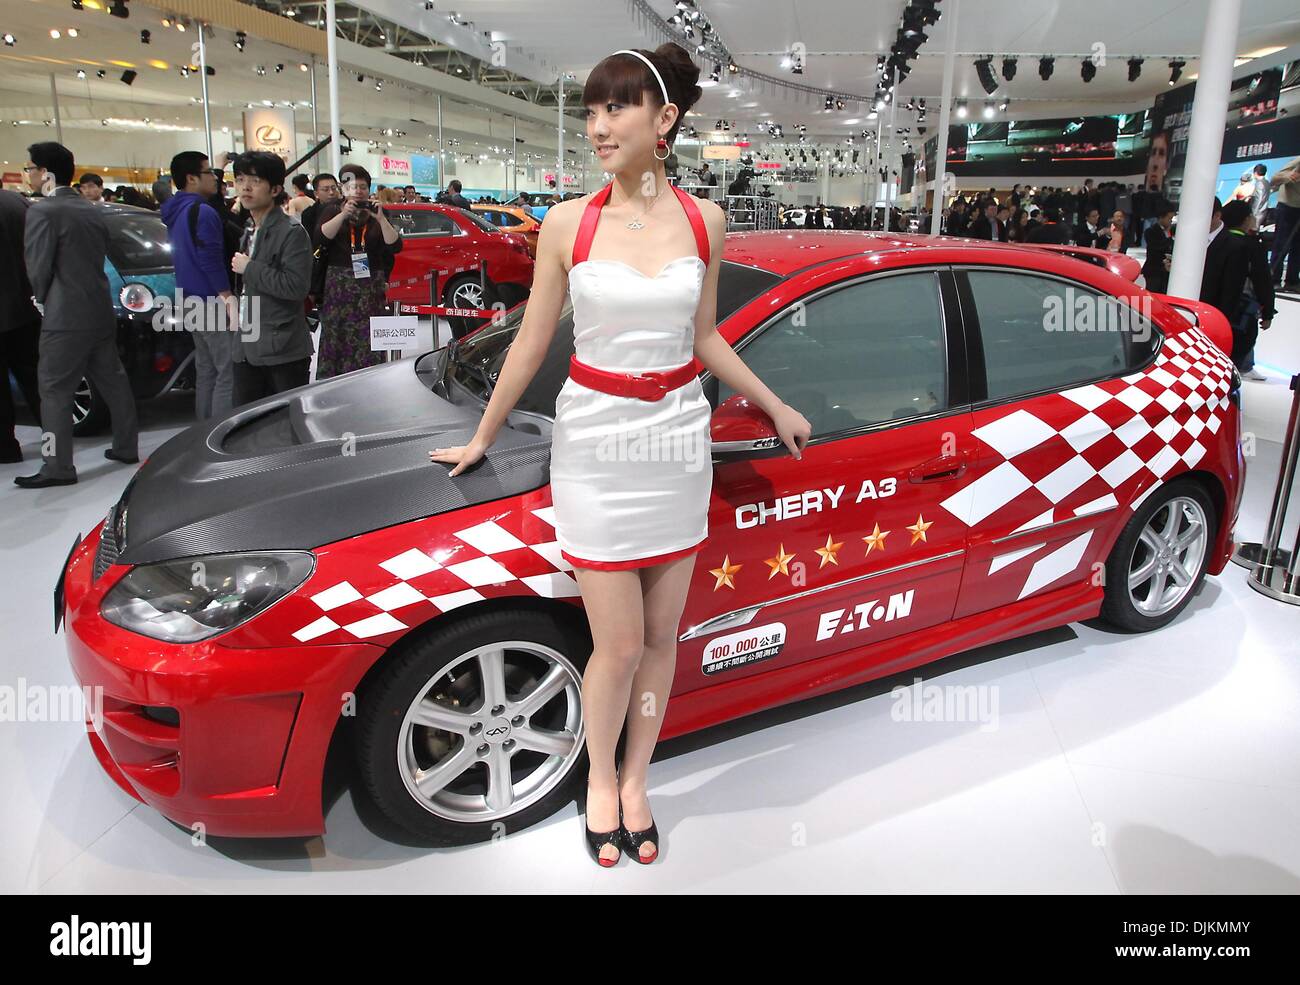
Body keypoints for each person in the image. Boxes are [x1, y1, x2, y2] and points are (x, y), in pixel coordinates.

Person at [428, 44, 811, 868]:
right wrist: (483, 436)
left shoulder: (706, 220)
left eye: (617, 108)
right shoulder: (569, 222)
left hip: (676, 442)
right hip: (597, 444)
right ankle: (598, 777)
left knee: (665, 637)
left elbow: (704, 336)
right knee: (622, 643)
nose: (597, 126)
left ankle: (638, 777)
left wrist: (773, 402)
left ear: (664, 120)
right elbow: (534, 340)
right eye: (593, 110)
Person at [15, 141, 138, 488]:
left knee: (53, 390)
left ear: (46, 172)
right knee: (113, 379)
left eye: (30, 168)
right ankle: (126, 445)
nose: (29, 174)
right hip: (98, 307)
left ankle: (56, 466)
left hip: (64, 315)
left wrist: (39, 298)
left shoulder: (43, 211)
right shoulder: (91, 209)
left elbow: (38, 266)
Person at [227, 151, 314, 405]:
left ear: (275, 189)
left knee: (283, 427)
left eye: (255, 181)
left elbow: (296, 287)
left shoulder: (291, 232)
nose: (245, 187)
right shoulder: (249, 229)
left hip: (282, 348)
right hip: (246, 345)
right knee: (244, 428)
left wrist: (249, 268)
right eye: (240, 179)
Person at [161, 151, 237, 420]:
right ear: (191, 178)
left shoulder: (176, 211)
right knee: (227, 370)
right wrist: (228, 299)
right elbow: (211, 260)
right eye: (208, 172)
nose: (215, 178)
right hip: (210, 299)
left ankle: (202, 430)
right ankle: (219, 433)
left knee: (206, 370)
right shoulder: (202, 212)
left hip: (188, 297)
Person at [312, 163, 403, 379]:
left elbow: (395, 246)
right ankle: (332, 382)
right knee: (336, 334)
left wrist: (381, 219)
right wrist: (343, 215)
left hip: (370, 286)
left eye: (363, 186)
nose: (358, 190)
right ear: (344, 189)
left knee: (368, 337)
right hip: (339, 285)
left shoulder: (378, 212)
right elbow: (321, 237)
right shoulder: (333, 210)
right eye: (353, 186)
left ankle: (369, 381)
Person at [1201, 200, 1275, 376]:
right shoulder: (1251, 245)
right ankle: (1244, 366)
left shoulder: (1230, 243)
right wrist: (1268, 311)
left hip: (1222, 312)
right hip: (1232, 312)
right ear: (1246, 219)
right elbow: (1263, 281)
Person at [0, 189, 42, 462]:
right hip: (25, 307)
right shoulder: (18, 202)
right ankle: (56, 444)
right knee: (37, 381)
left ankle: (6, 449)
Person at [1268, 155, 1300, 288]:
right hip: (1287, 207)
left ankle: (1292, 281)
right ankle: (1274, 279)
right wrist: (1290, 177)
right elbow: (1275, 178)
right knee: (1281, 244)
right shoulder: (1298, 161)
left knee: (1298, 248)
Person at [1141, 205, 1175, 293]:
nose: (1171, 221)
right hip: (1154, 271)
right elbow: (1157, 247)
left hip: (1166, 272)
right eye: (1169, 218)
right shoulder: (1150, 231)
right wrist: (1170, 238)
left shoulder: (1172, 231)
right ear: (1161, 217)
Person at [299, 172, 340, 241]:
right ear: (316, 193)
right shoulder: (309, 213)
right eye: (326, 189)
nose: (331, 193)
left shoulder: (344, 209)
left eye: (334, 188)